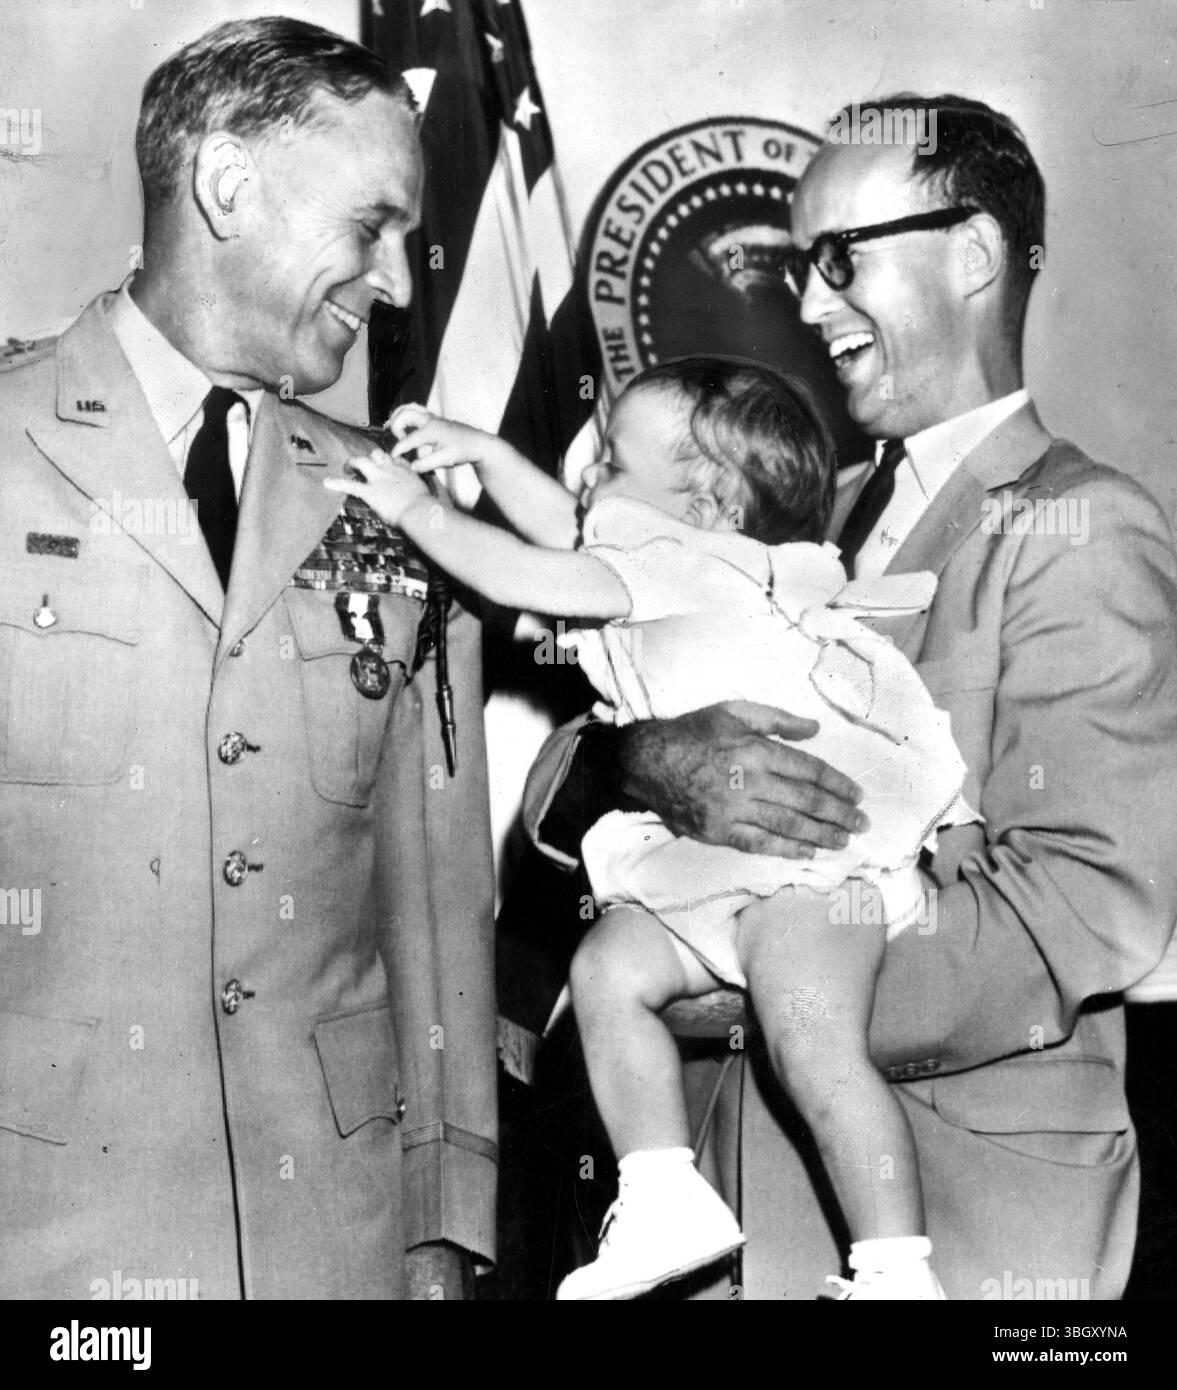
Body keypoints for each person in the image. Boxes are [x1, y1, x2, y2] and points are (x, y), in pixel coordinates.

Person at [523, 95, 1177, 1300]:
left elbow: (1090, 908)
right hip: (729, 1209)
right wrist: (645, 760)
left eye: (840, 260)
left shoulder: (1080, 530)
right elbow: (586, 751)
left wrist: (745, 983)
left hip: (969, 1230)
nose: (809, 305)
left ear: (974, 253)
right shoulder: (781, 515)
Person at [0, 18, 496, 1299]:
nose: (396, 277)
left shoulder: (396, 504)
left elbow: (432, 902)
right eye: (372, 223)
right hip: (55, 1236)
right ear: (228, 186)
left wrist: (441, 1218)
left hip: (332, 1240)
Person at [335, 356, 974, 1300]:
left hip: (804, 870)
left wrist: (419, 510)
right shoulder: (687, 559)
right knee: (609, 971)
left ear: (707, 501)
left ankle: (893, 1271)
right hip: (714, 865)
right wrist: (485, 453)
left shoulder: (676, 568)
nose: (587, 476)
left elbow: (530, 568)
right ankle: (661, 1194)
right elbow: (564, 526)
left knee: (815, 1046)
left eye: (611, 463)